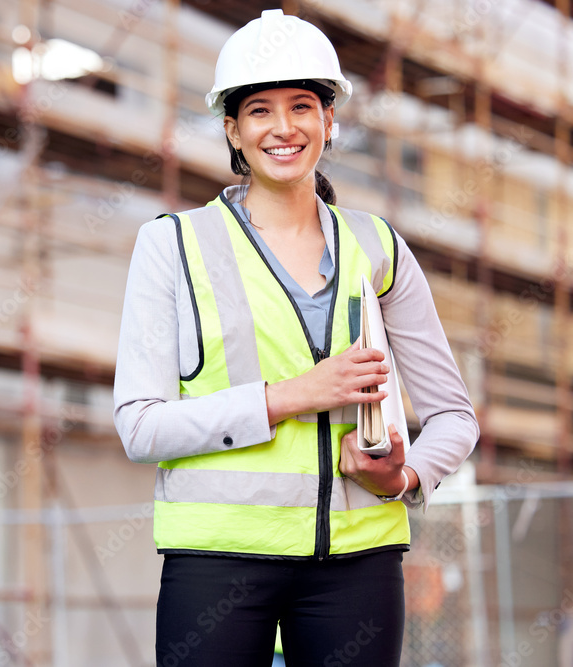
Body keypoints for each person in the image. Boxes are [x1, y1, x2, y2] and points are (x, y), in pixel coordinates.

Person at [112, 9, 479, 667]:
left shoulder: (379, 246)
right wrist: (292, 395)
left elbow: (454, 416)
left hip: (358, 565)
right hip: (219, 560)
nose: (283, 127)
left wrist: (405, 475)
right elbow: (140, 427)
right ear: (233, 128)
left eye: (302, 106)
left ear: (329, 120)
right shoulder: (173, 244)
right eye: (260, 110)